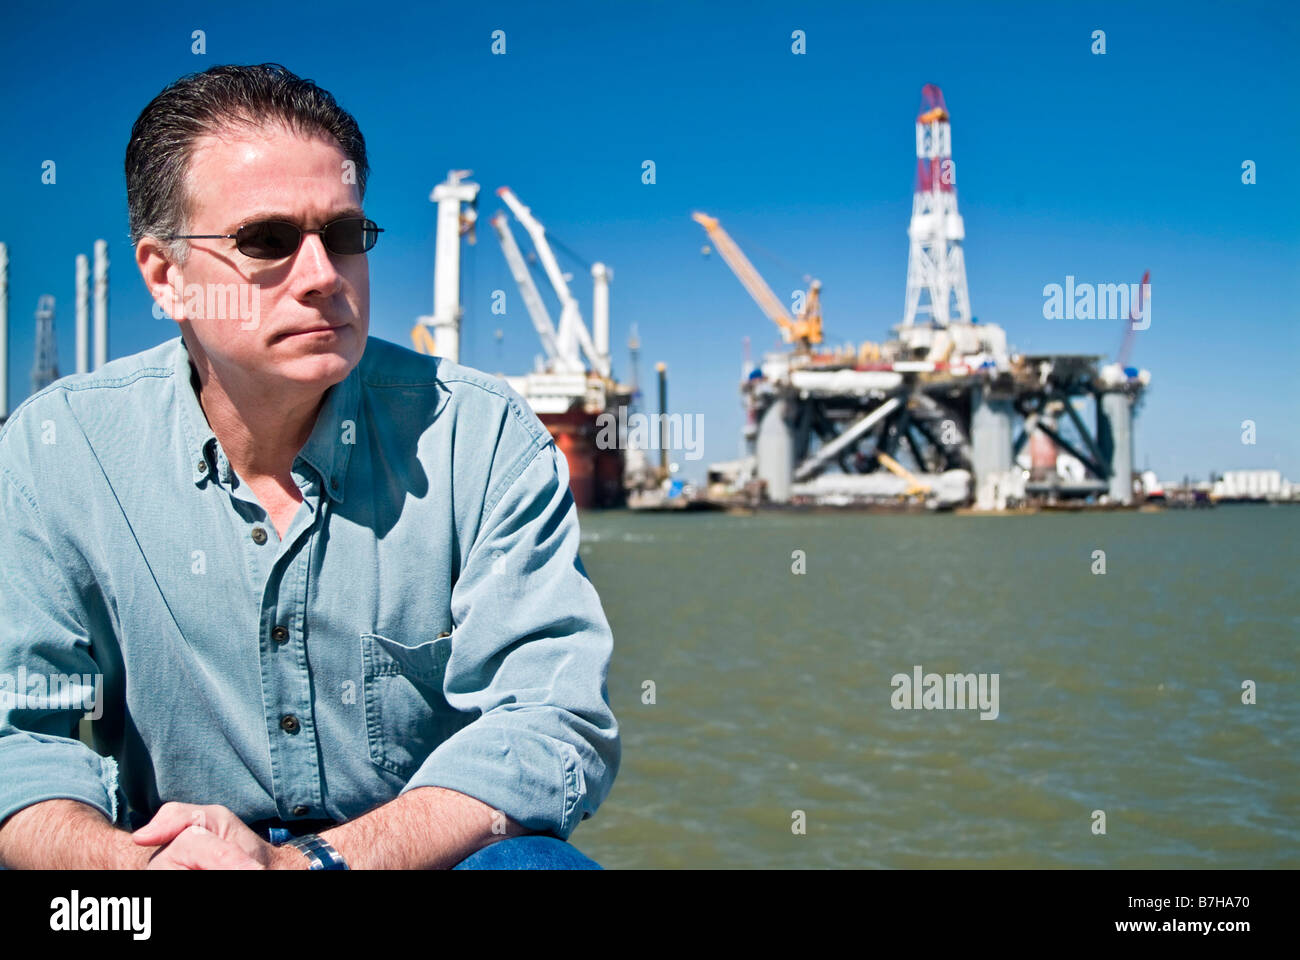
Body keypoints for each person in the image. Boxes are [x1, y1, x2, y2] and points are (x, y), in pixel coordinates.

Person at [0, 63, 619, 870]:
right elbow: (18, 733)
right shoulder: (60, 446)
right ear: (164, 277)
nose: (324, 276)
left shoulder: (484, 435)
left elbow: (550, 718)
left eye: (344, 234)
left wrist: (307, 865)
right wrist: (130, 870)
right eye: (267, 241)